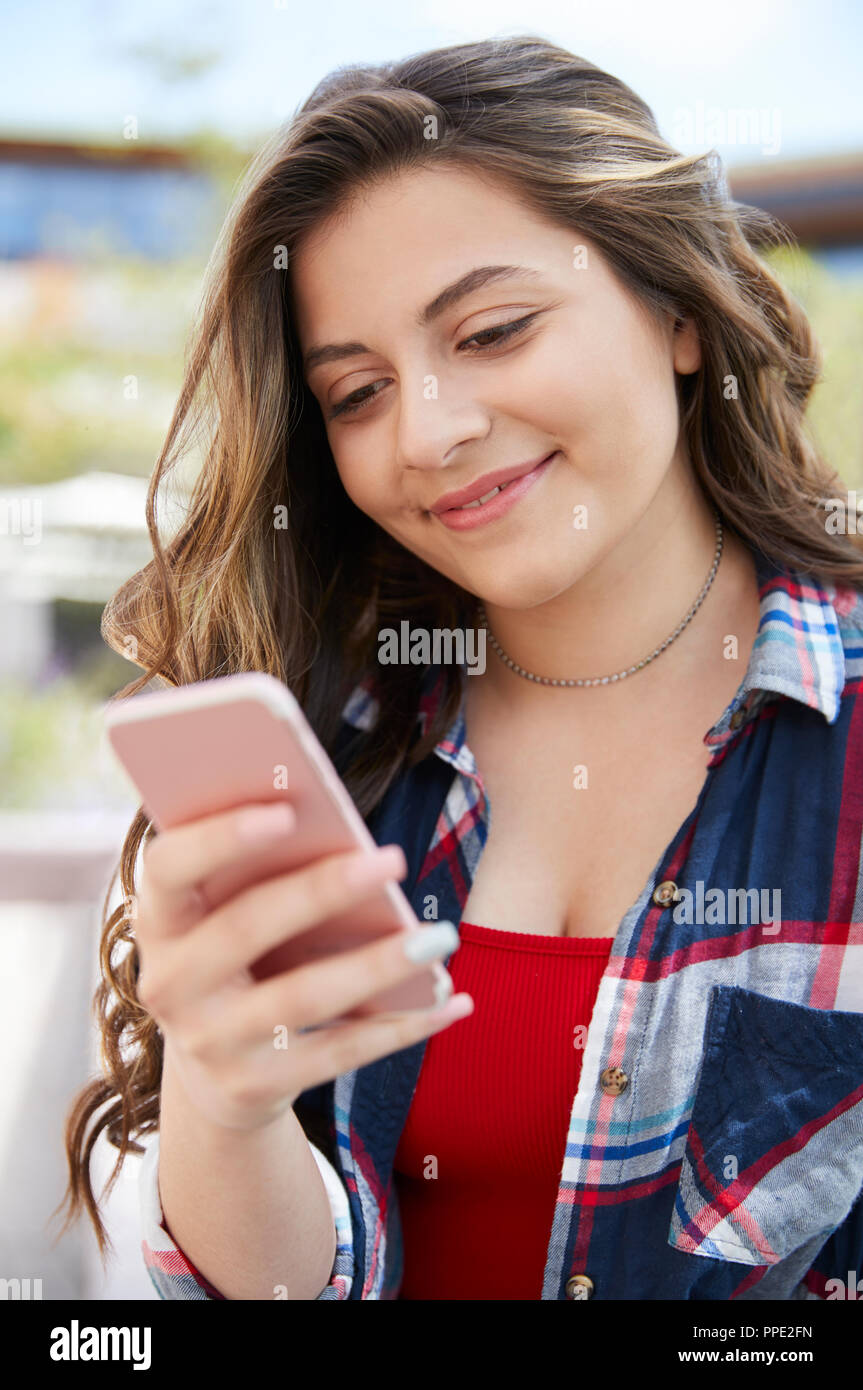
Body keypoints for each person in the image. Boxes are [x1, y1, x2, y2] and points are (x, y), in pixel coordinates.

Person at [59, 35, 863, 1301]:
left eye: (492, 330)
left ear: (681, 315)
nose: (428, 431)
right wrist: (225, 1099)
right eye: (357, 392)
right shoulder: (331, 735)